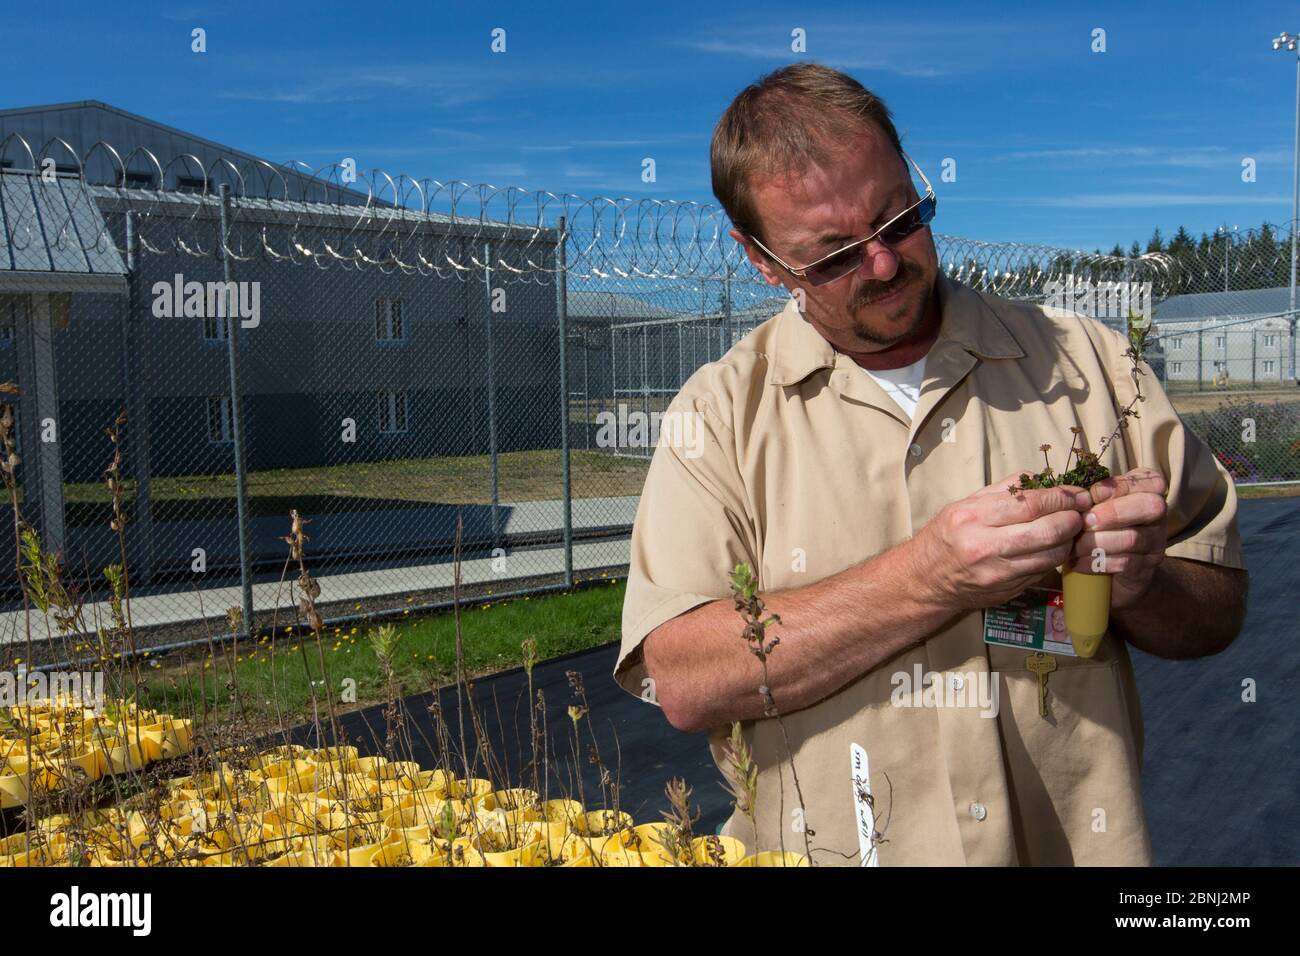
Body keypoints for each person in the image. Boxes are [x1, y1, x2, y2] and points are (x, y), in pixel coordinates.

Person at [613, 63, 1249, 866]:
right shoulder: (719, 418)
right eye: (833, 255)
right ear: (761, 260)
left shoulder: (1093, 368)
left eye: (900, 218)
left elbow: (1217, 607)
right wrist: (929, 576)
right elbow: (683, 677)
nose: (882, 264)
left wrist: (1141, 586)